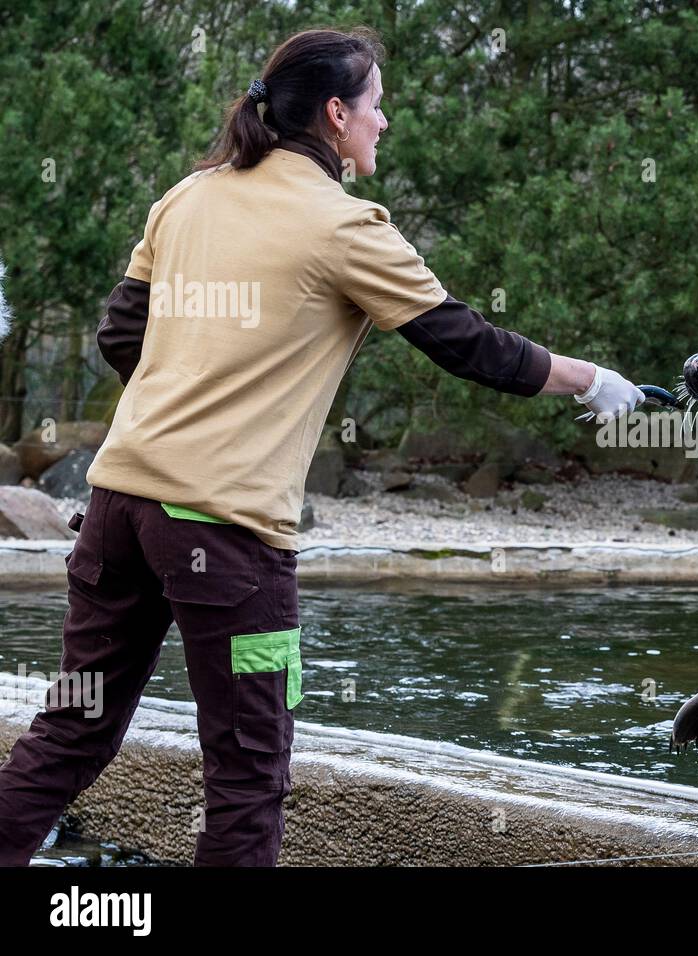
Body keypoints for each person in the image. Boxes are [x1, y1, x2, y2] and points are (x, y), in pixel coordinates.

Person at [0, 26, 644, 866]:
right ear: (337, 114)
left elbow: (122, 334)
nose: (387, 121)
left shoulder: (186, 198)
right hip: (225, 531)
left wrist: (194, 383)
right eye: (377, 105)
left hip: (118, 506)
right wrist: (591, 380)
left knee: (73, 731)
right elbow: (465, 343)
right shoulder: (344, 227)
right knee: (249, 766)